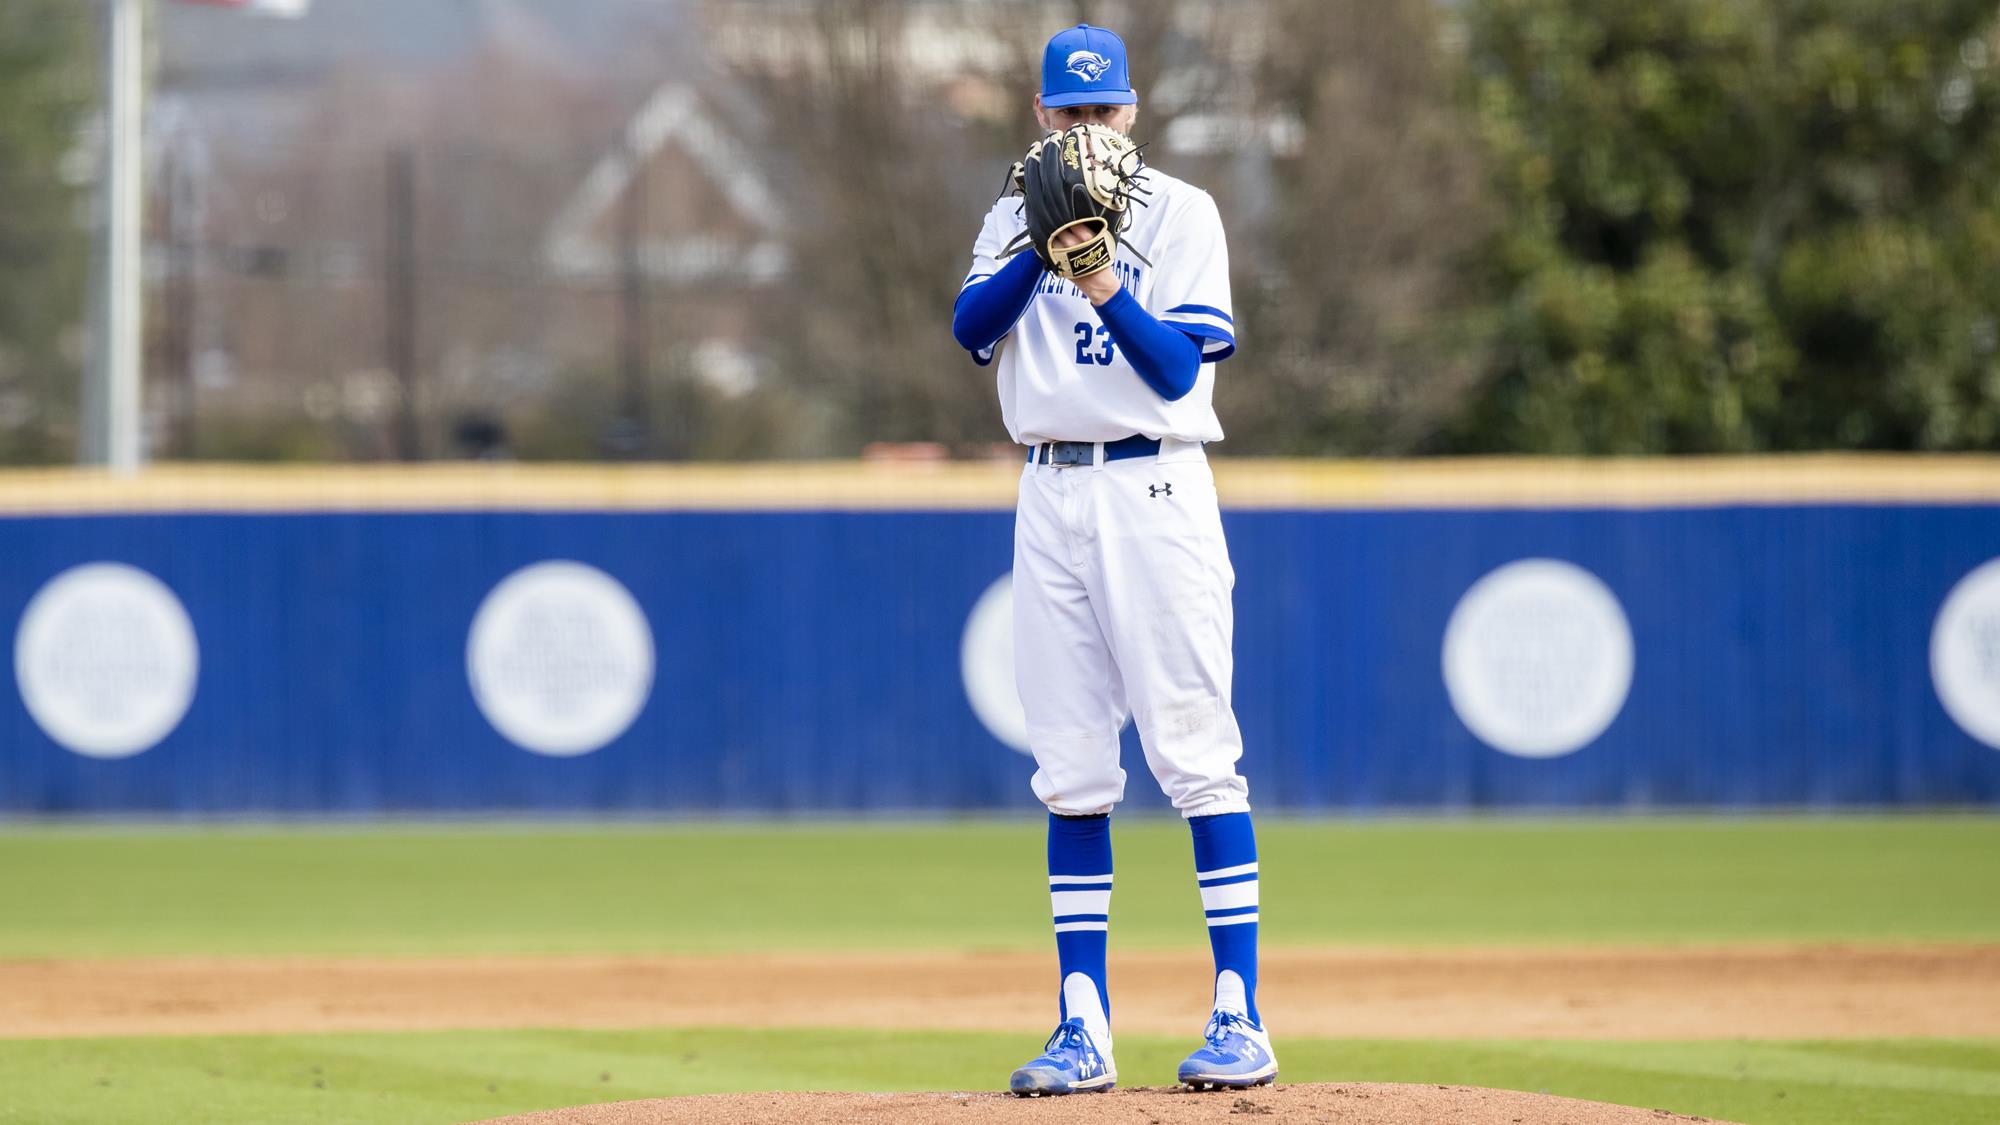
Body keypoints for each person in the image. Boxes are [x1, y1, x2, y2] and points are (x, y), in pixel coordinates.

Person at [951, 22, 1274, 1098]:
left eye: (1101, 111)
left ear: (1131, 111)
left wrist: (1100, 277)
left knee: (1194, 750)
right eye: (1068, 112)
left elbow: (1179, 367)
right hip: (1046, 485)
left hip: (1153, 484)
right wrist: (1039, 244)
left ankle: (1239, 1014)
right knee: (1072, 765)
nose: (1086, 128)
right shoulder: (1012, 208)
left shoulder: (1182, 213)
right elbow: (968, 328)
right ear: (1042, 115)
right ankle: (1080, 1024)